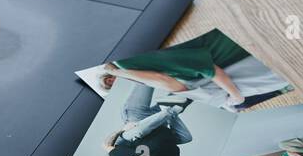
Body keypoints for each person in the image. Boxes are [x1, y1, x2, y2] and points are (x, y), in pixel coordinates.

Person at [100, 29, 290, 111]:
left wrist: (237, 98)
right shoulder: (137, 72)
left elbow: (208, 70)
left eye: (110, 80)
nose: (115, 84)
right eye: (112, 86)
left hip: (242, 53)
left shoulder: (128, 65)